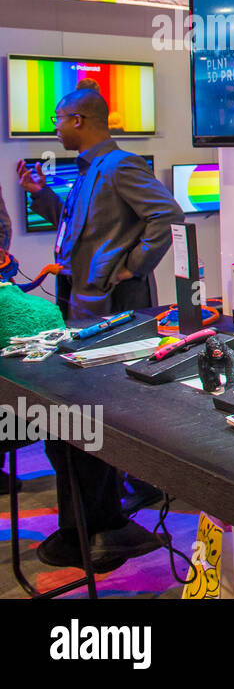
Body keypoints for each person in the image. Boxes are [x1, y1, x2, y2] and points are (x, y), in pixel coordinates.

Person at [15, 88, 183, 571]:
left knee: (102, 417)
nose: (55, 128)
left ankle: (108, 521)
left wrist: (132, 266)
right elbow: (76, 229)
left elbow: (166, 217)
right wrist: (39, 195)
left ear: (81, 119)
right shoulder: (89, 170)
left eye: (58, 119)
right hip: (82, 304)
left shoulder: (121, 165)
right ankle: (90, 523)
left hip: (115, 309)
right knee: (79, 419)